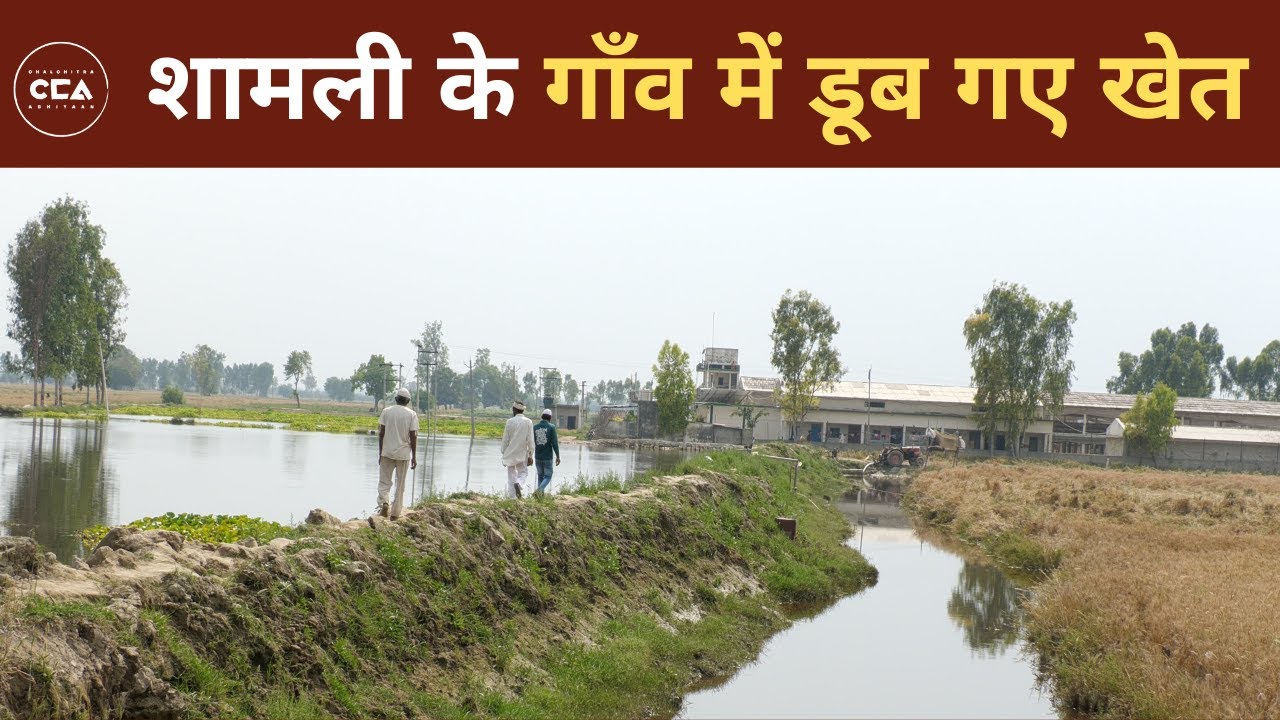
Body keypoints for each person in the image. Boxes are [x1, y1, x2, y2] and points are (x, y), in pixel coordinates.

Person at [377, 387, 418, 519]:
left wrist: (380, 453)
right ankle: (395, 513)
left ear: (396, 399)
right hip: (403, 454)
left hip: (387, 452)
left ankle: (384, 502)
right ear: (408, 401)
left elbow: (381, 433)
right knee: (400, 484)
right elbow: (413, 436)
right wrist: (414, 456)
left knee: (384, 482)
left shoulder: (386, 411)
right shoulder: (411, 414)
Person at [500, 400, 534, 498]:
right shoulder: (528, 422)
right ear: (522, 411)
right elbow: (530, 440)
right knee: (523, 472)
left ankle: (512, 499)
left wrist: (504, 454)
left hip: (510, 453)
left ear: (514, 410)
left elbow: (505, 440)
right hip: (522, 453)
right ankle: (519, 484)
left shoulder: (510, 422)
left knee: (511, 477)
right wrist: (531, 455)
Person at [533, 409, 561, 496]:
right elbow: (554, 443)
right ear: (550, 417)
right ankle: (539, 491)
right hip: (547, 456)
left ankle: (539, 497)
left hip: (538, 456)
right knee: (548, 476)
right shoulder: (551, 427)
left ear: (542, 416)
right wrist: (558, 456)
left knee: (540, 476)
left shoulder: (535, 427)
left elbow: (532, 441)